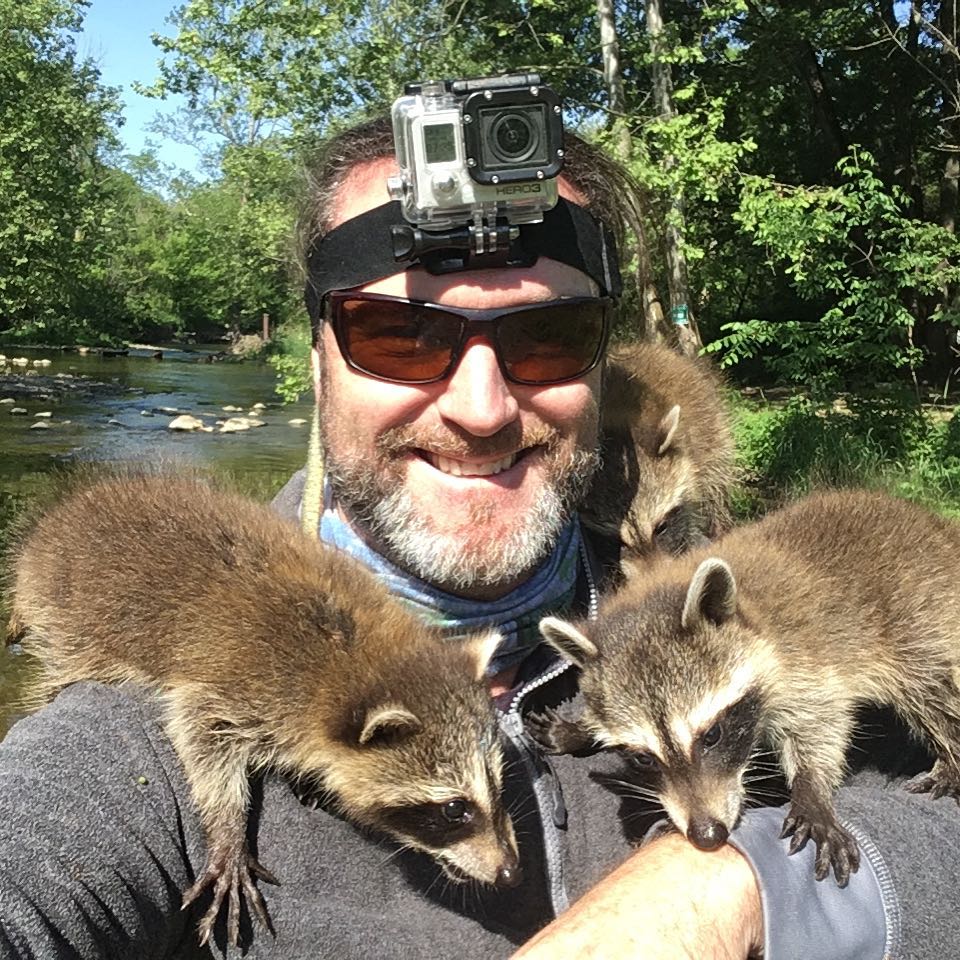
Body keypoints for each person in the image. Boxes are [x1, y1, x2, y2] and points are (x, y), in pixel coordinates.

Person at [0, 111, 954, 960]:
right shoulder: (160, 694)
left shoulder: (713, 621)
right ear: (317, 363)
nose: (481, 408)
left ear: (602, 365)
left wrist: (737, 890)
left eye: (547, 337)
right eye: (400, 336)